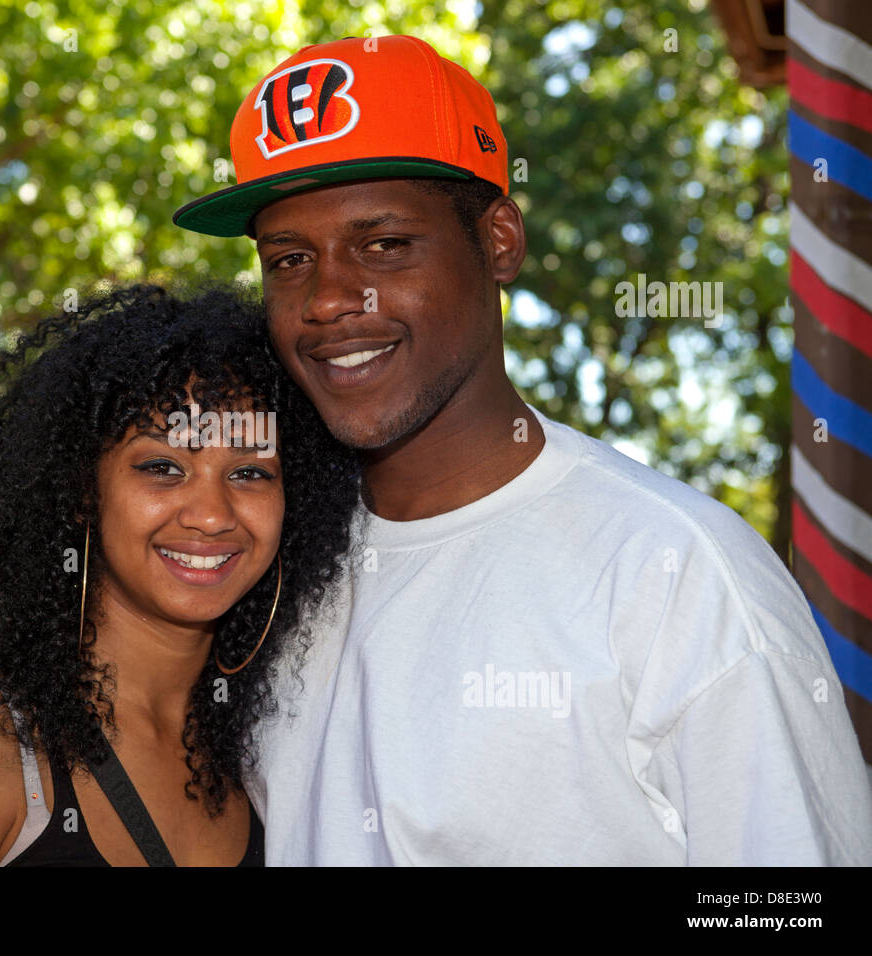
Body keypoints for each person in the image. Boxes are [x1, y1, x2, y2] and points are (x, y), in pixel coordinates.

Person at [174, 34, 872, 864]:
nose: (328, 299)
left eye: (384, 245)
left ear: (499, 240)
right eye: (290, 259)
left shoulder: (675, 573)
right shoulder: (260, 568)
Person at [0, 283, 357, 866]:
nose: (212, 515)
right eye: (162, 466)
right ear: (82, 491)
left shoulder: (267, 740)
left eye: (250, 473)